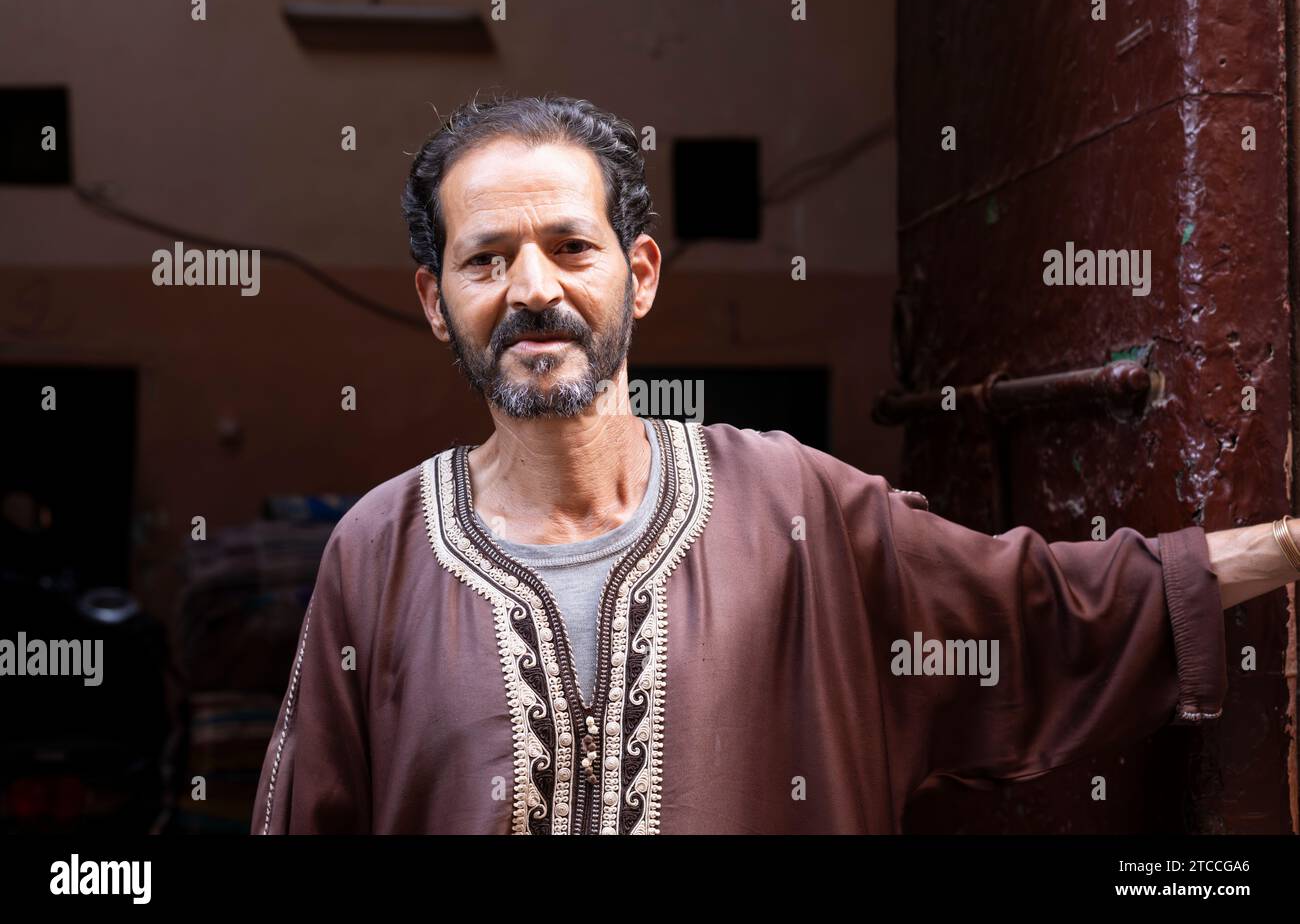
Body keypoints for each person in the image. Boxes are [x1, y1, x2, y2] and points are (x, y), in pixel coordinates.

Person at [253, 94, 1294, 834]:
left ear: (639, 274)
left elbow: (1035, 604)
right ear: (437, 300)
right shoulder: (379, 551)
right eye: (485, 257)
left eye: (571, 247)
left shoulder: (790, 504)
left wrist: (1286, 546)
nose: (533, 287)